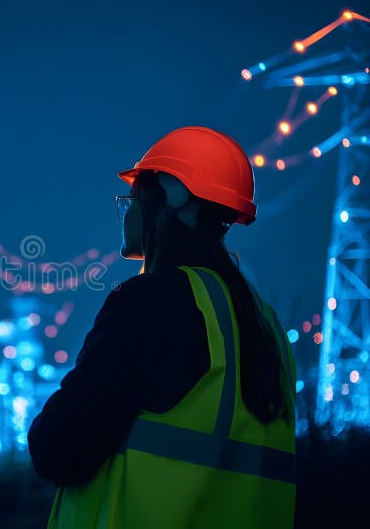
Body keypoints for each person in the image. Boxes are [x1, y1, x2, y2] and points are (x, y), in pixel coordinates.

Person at [27, 126, 296, 528]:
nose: (128, 213)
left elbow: (57, 448)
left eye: (134, 199)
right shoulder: (264, 323)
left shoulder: (152, 302)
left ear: (174, 195)